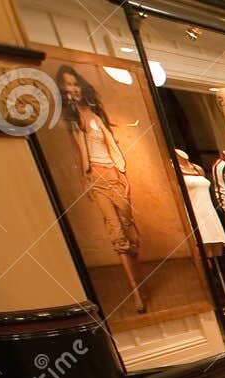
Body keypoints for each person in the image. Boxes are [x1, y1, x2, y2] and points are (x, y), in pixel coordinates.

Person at [58, 65, 144, 314]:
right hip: (95, 177)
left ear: (81, 86)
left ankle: (139, 279)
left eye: (74, 84)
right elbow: (77, 156)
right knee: (117, 236)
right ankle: (136, 293)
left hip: (114, 175)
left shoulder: (97, 115)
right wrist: (85, 182)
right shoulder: (72, 120)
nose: (72, 89)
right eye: (67, 86)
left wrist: (123, 175)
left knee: (132, 234)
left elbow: (112, 148)